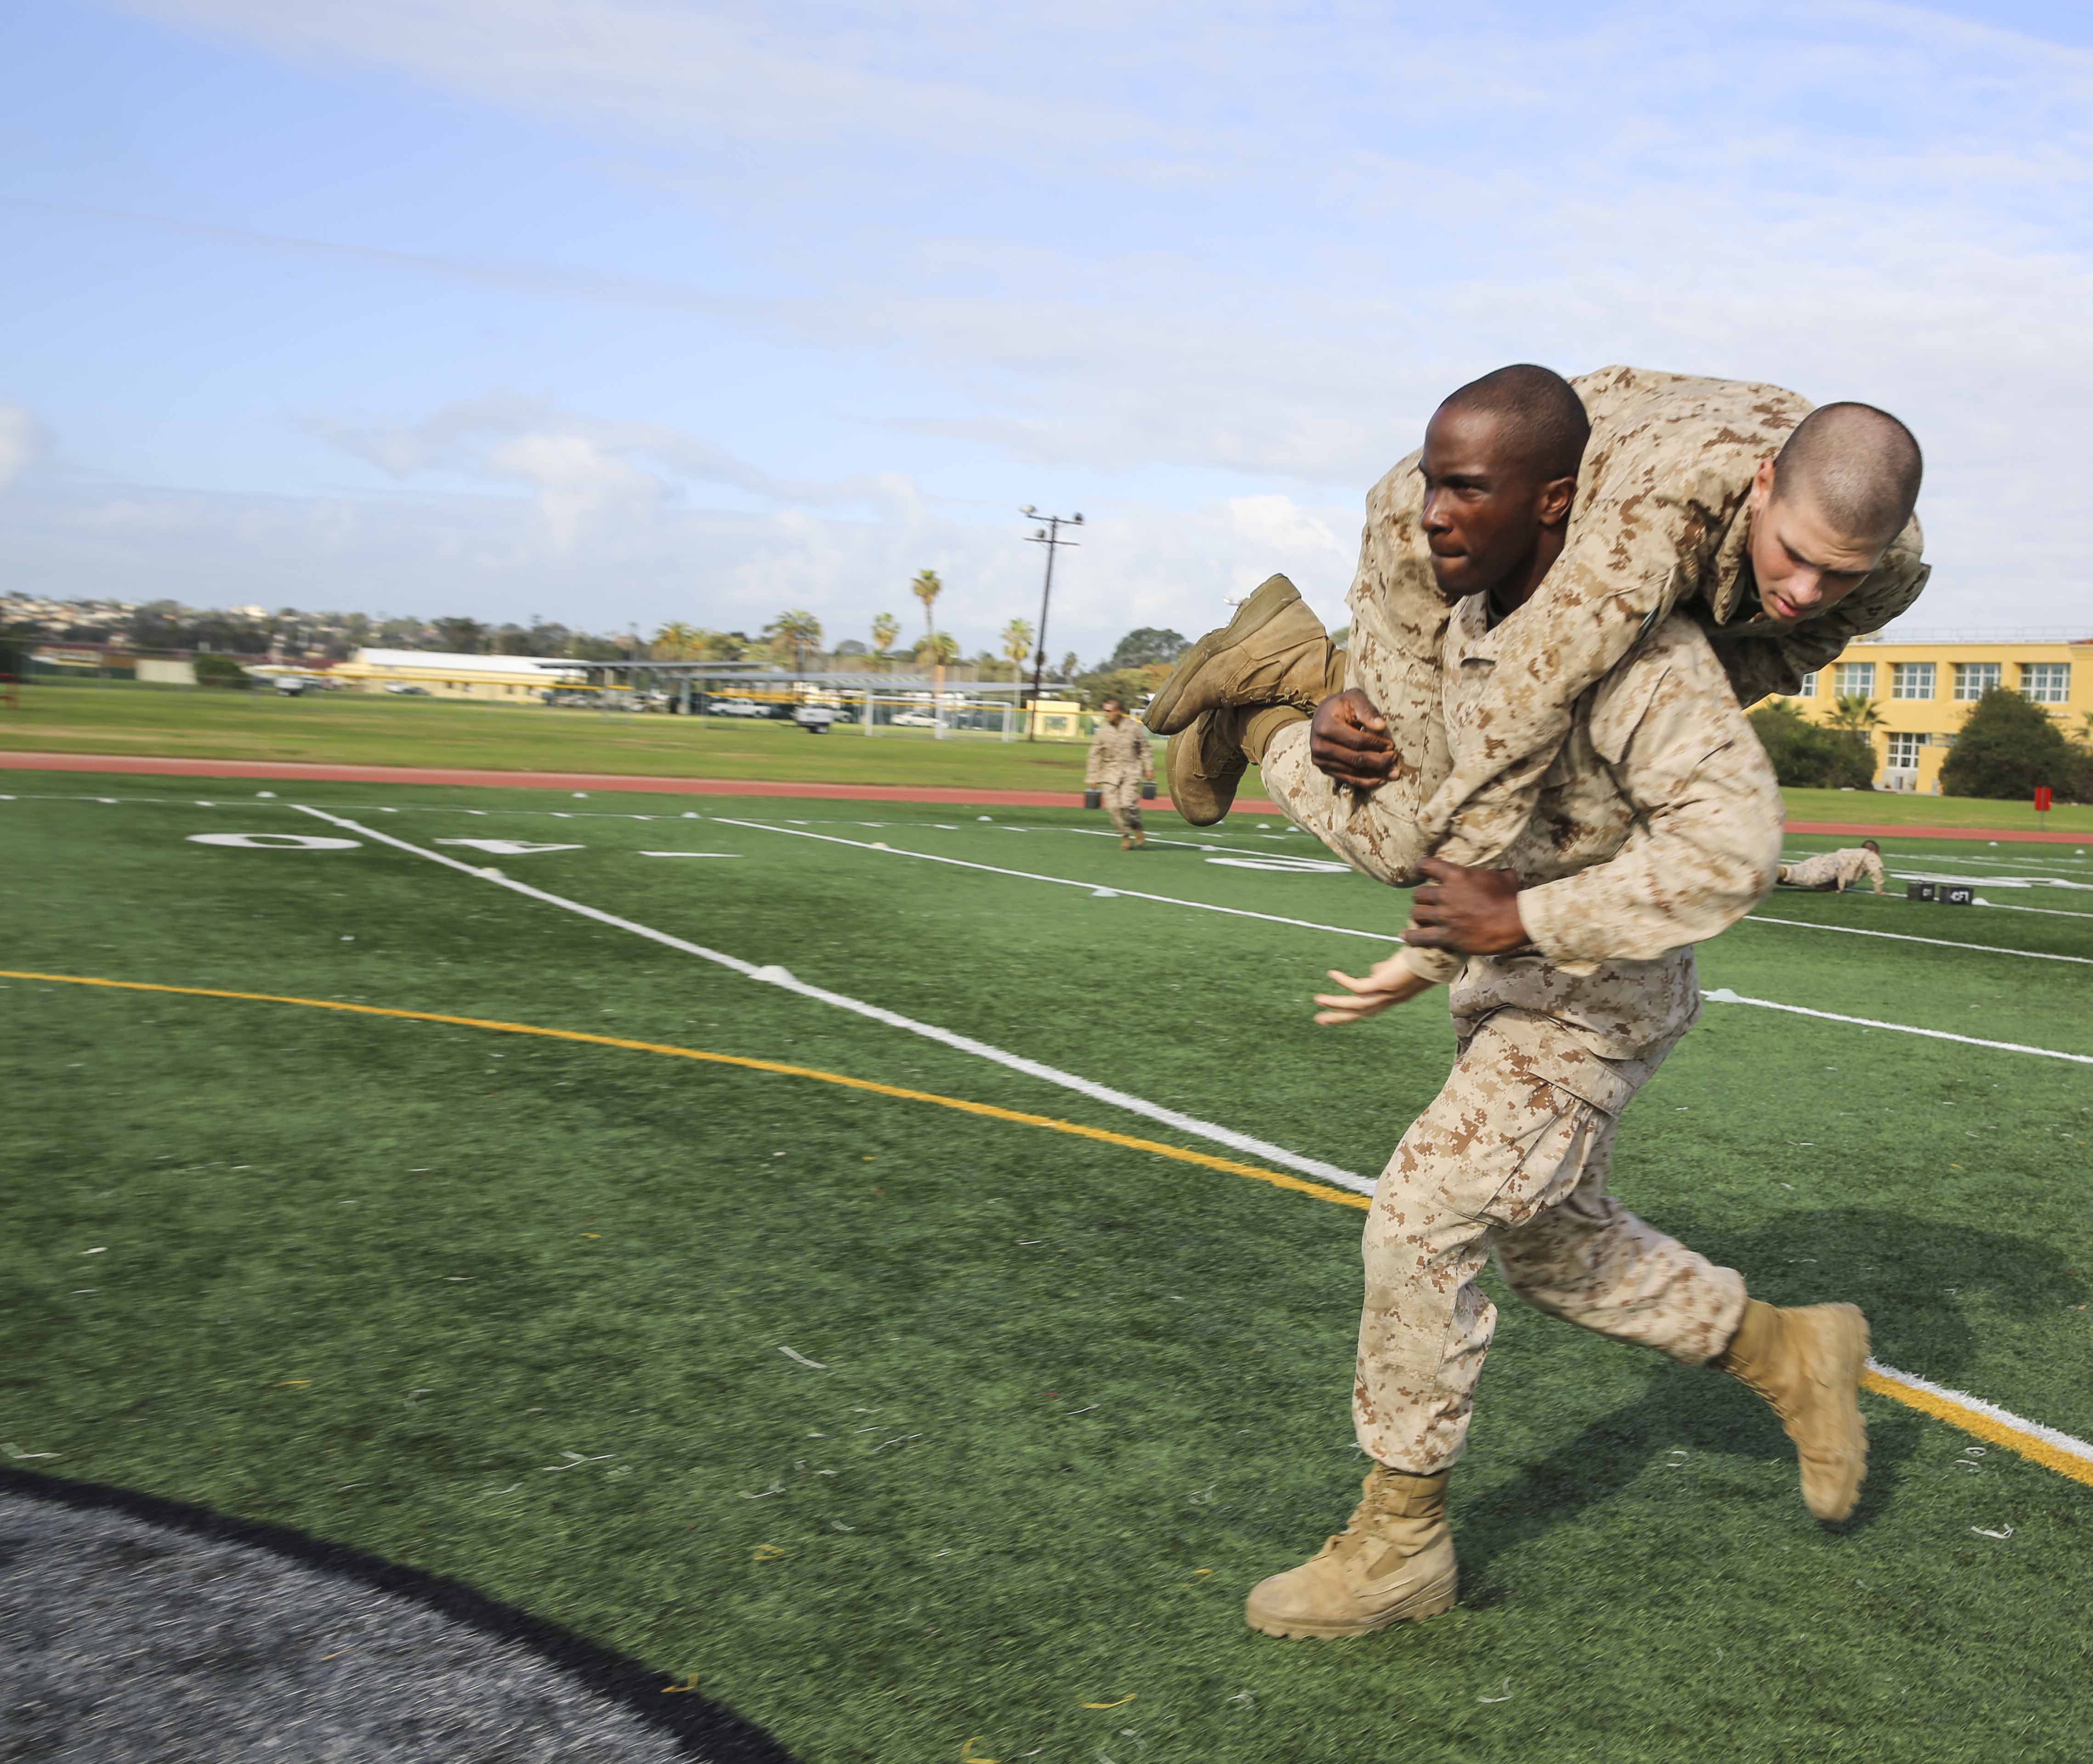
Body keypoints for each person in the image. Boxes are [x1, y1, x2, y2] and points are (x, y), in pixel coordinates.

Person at [1208, 367, 1872, 1641]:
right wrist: (1363, 741)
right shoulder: (1476, 627)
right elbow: (1473, 807)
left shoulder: (1644, 658)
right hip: (1517, 978)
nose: (1432, 517)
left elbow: (1726, 850)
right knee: (1552, 1245)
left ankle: (1398, 1542)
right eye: (1430, 488)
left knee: (1419, 1216)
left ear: (1554, 504)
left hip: (1593, 996)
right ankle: (1785, 1348)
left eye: (1465, 491)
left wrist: (1508, 926)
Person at [1147, 364, 1928, 1008]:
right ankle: (1264, 704)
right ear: (1763, 485)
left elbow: (1774, 654)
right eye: (1793, 553)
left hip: (1577, 564)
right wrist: (1436, 950)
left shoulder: (1884, 571)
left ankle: (1306, 681)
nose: (1806, 586)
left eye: (1839, 572)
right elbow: (1526, 699)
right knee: (1410, 835)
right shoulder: (1652, 525)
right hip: (1458, 535)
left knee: (1579, 794)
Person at [1084, 697, 1153, 849]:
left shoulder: (1134, 728)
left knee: (1127, 805)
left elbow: (1145, 749)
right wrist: (1092, 777)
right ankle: (1125, 836)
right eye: (1105, 711)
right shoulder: (1102, 732)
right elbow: (1094, 755)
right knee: (1113, 808)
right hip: (1110, 774)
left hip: (1131, 771)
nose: (1106, 714)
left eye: (1109, 711)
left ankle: (1136, 827)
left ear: (1118, 712)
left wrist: (1149, 768)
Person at [1778, 840, 1887, 893]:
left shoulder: (1855, 853)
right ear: (1875, 851)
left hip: (1824, 861)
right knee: (1798, 875)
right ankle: (1768, 870)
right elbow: (1875, 871)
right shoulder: (1870, 854)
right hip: (1831, 868)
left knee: (1796, 876)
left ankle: (1769, 876)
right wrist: (1879, 890)